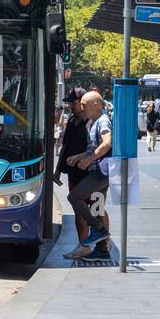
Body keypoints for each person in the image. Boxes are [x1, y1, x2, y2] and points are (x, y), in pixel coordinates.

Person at [64, 91, 112, 260]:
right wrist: (79, 157)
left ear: (96, 105)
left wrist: (89, 159)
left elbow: (107, 143)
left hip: (100, 171)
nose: (81, 108)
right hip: (98, 170)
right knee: (96, 207)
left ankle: (98, 229)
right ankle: (102, 250)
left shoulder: (103, 120)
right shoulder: (94, 121)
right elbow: (94, 148)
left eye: (84, 105)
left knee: (74, 197)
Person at [55, 88, 89, 248]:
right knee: (77, 208)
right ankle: (83, 245)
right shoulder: (71, 120)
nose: (71, 106)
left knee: (97, 208)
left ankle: (103, 244)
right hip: (73, 174)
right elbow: (65, 146)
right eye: (70, 103)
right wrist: (57, 170)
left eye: (74, 103)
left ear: (83, 102)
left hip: (91, 173)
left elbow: (101, 147)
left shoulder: (93, 121)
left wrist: (81, 157)